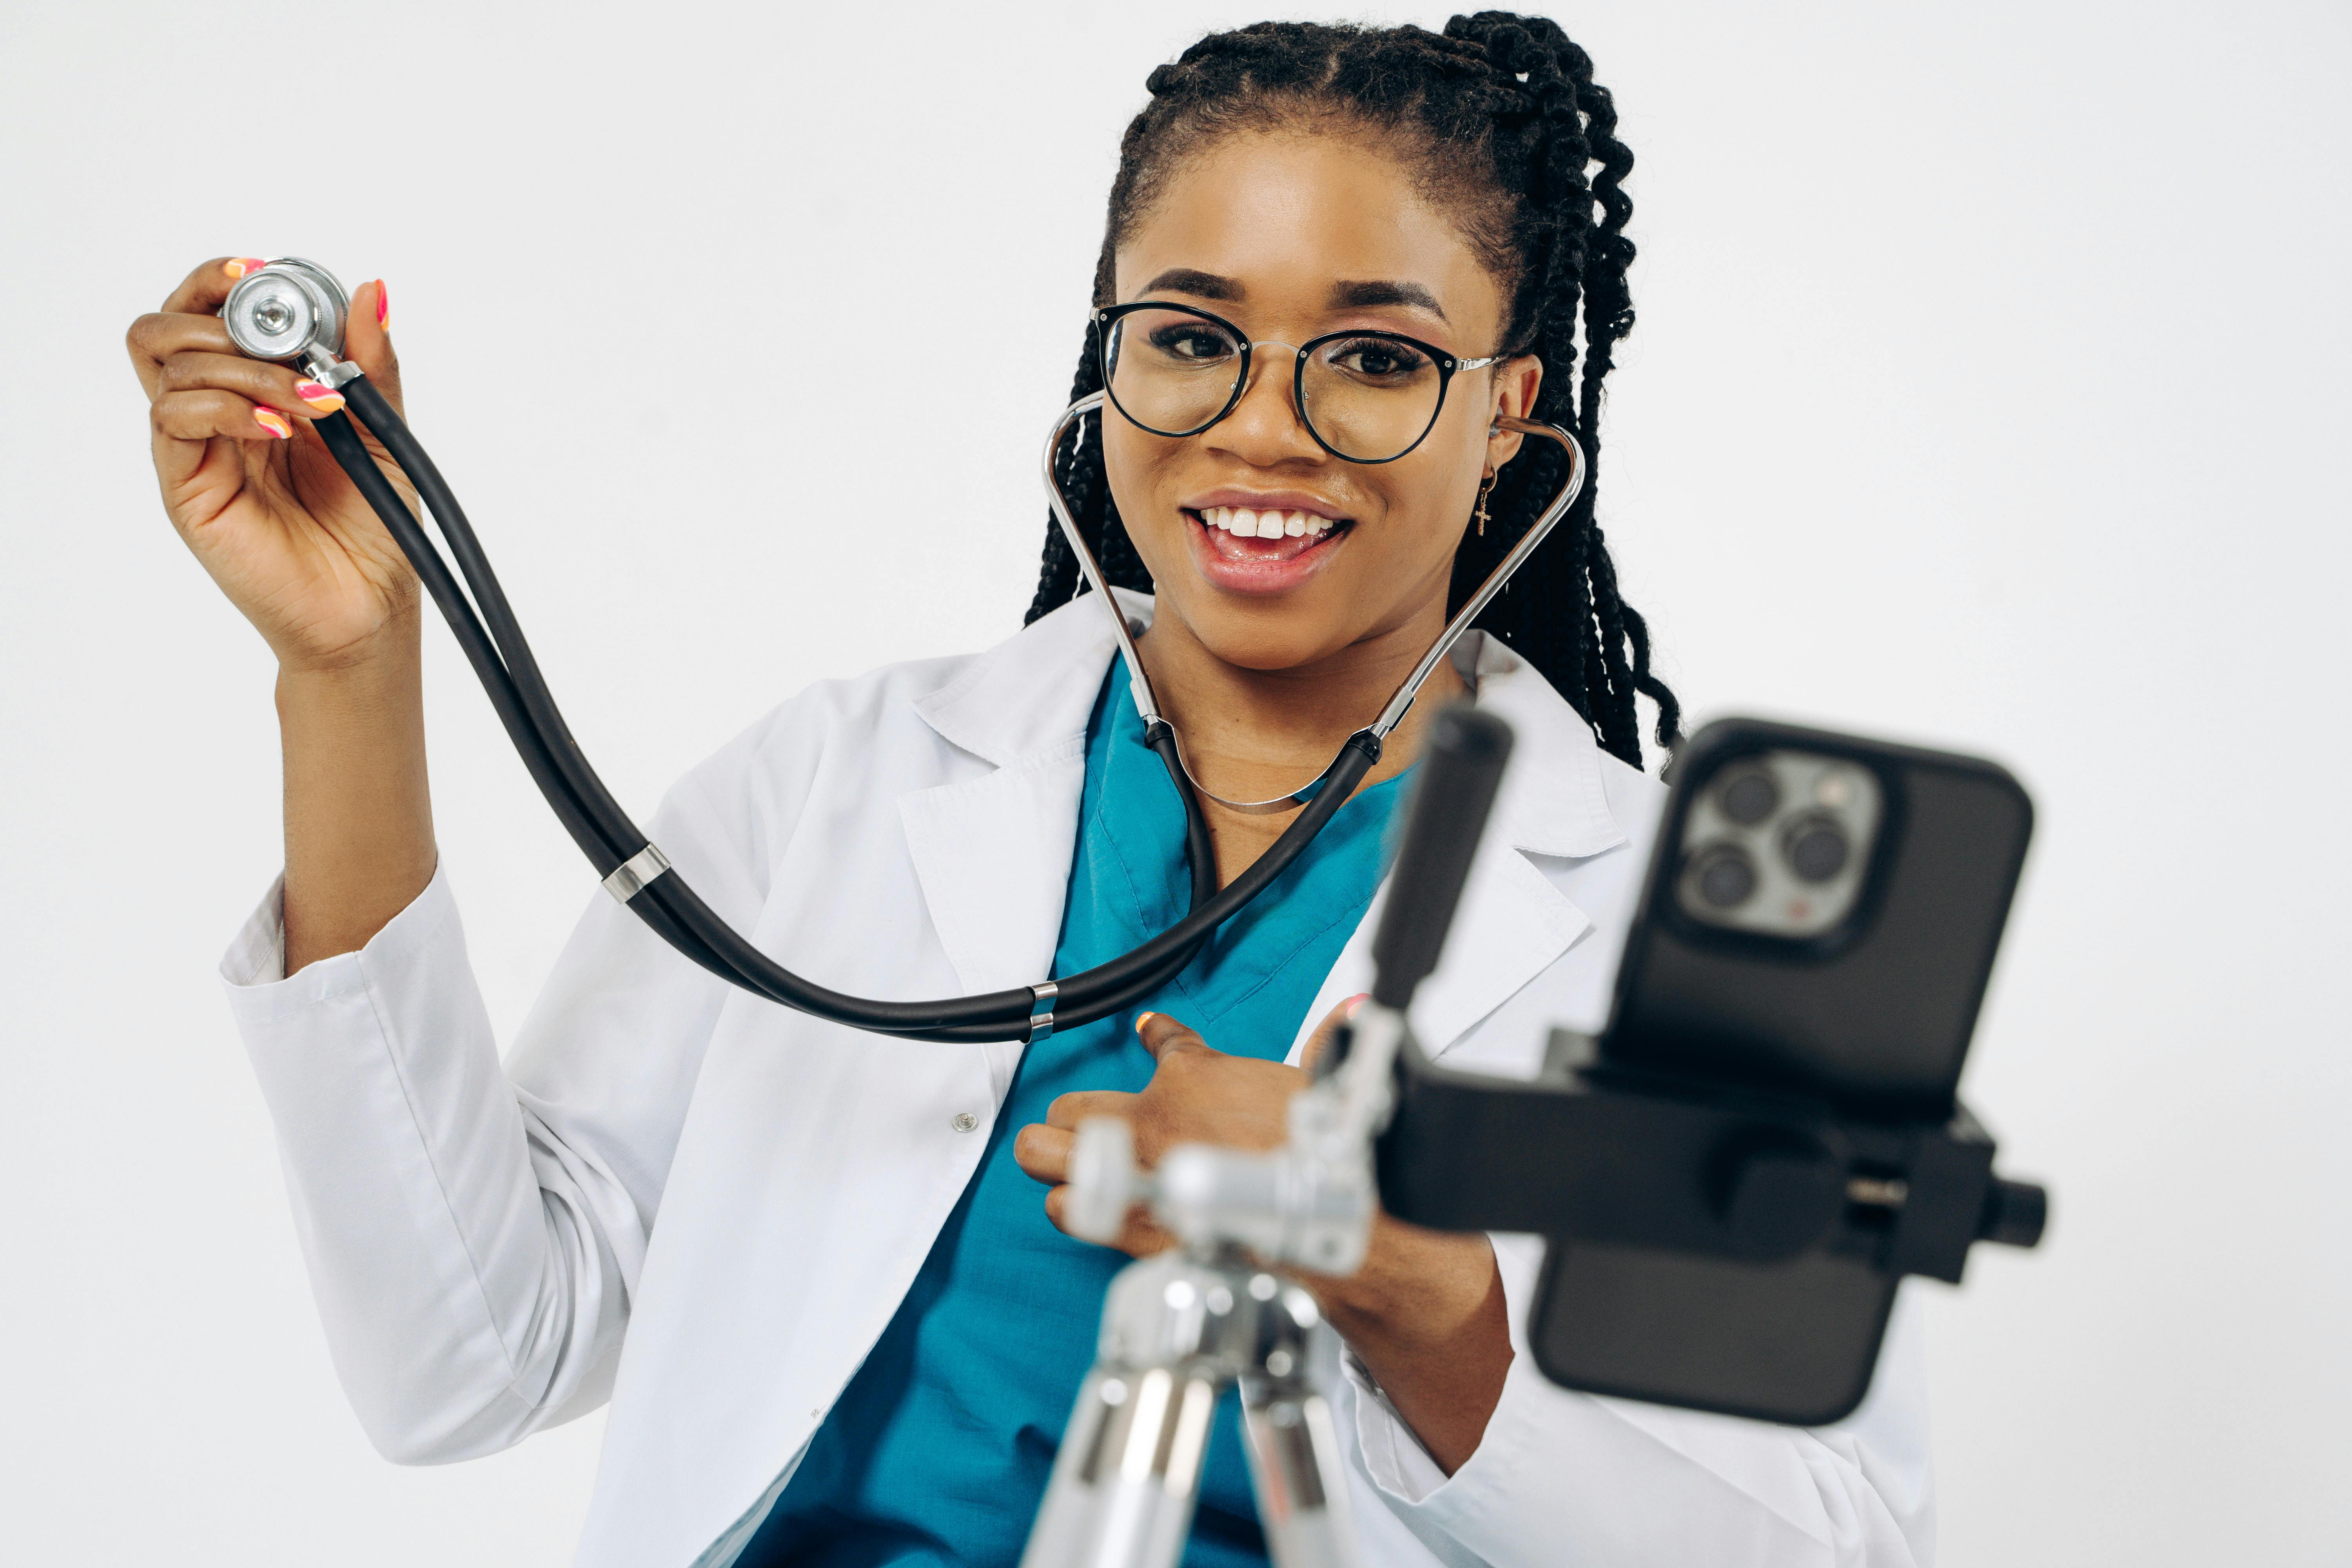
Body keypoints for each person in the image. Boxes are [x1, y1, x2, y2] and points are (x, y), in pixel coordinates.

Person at [125, 15, 1932, 1567]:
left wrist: (1424, 1301)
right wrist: (346, 675)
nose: (1264, 426)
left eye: (1377, 356)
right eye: (1189, 334)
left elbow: (1826, 1540)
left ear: (1516, 417)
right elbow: (471, 1355)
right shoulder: (838, 784)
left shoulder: (1683, 937)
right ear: (1105, 352)